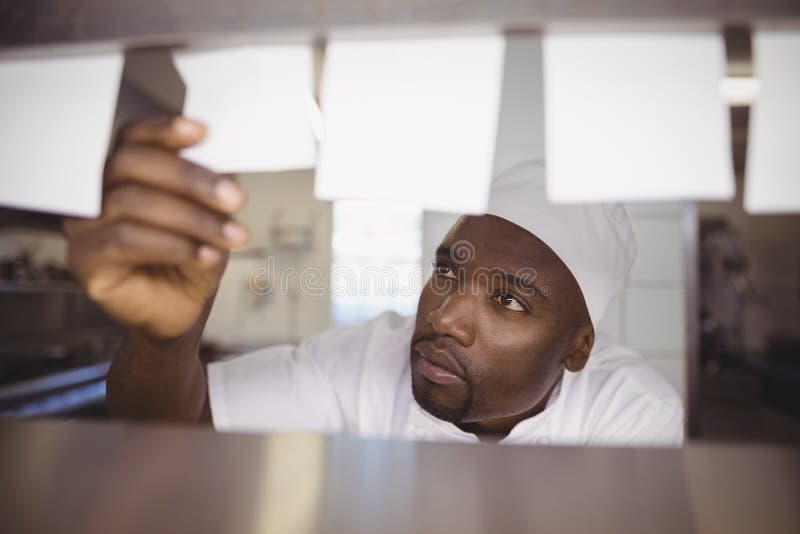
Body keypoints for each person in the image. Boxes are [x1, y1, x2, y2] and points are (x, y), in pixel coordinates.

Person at [64, 116, 683, 446]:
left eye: (508, 300)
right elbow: (176, 428)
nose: (444, 318)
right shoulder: (364, 364)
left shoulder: (630, 415)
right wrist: (168, 338)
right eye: (447, 271)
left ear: (578, 348)